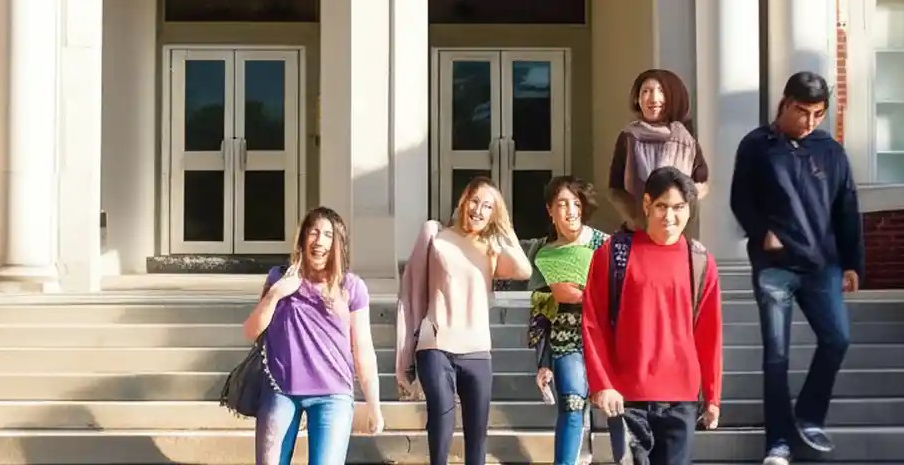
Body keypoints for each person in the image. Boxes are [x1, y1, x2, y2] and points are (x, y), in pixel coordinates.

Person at [730, 71, 862, 465]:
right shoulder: (756, 145)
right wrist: (761, 232)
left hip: (822, 267)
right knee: (777, 356)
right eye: (802, 111)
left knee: (837, 339)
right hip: (774, 269)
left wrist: (854, 263)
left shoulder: (830, 150)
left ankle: (808, 416)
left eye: (818, 113)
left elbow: (847, 208)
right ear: (784, 104)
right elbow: (740, 199)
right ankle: (778, 443)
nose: (809, 121)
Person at [583, 166, 723, 465]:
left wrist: (712, 395)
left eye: (678, 208)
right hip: (627, 398)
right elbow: (593, 322)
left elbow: (709, 334)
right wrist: (602, 383)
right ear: (646, 204)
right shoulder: (614, 253)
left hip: (681, 399)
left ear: (689, 209)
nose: (669, 217)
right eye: (661, 206)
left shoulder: (700, 261)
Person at [395, 176, 533, 465]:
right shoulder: (435, 234)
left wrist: (504, 227)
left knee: (477, 435)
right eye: (475, 201)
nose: (479, 210)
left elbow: (523, 270)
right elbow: (410, 291)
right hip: (436, 343)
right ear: (463, 200)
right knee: (442, 420)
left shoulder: (491, 248)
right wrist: (406, 349)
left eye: (487, 207)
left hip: (477, 349)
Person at [242, 207, 384, 465]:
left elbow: (363, 349)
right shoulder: (279, 277)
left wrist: (374, 404)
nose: (319, 241)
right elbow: (251, 331)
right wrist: (276, 294)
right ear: (303, 237)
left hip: (333, 395)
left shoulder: (351, 287)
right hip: (281, 390)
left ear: (338, 243)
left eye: (328, 234)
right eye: (314, 232)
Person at [525, 175, 623, 465]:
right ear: (550, 210)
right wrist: (543, 361)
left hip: (607, 337)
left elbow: (622, 295)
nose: (570, 210)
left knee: (616, 406)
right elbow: (541, 309)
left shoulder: (604, 245)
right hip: (566, 339)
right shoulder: (542, 252)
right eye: (562, 204)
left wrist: (582, 296)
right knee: (571, 404)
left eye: (576, 204)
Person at [609, 69, 710, 231]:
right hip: (637, 230)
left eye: (661, 91)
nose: (653, 99)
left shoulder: (686, 139)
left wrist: (678, 211)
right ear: (638, 99)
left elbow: (700, 183)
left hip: (674, 231)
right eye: (646, 91)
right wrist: (634, 218)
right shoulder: (629, 137)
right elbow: (615, 187)